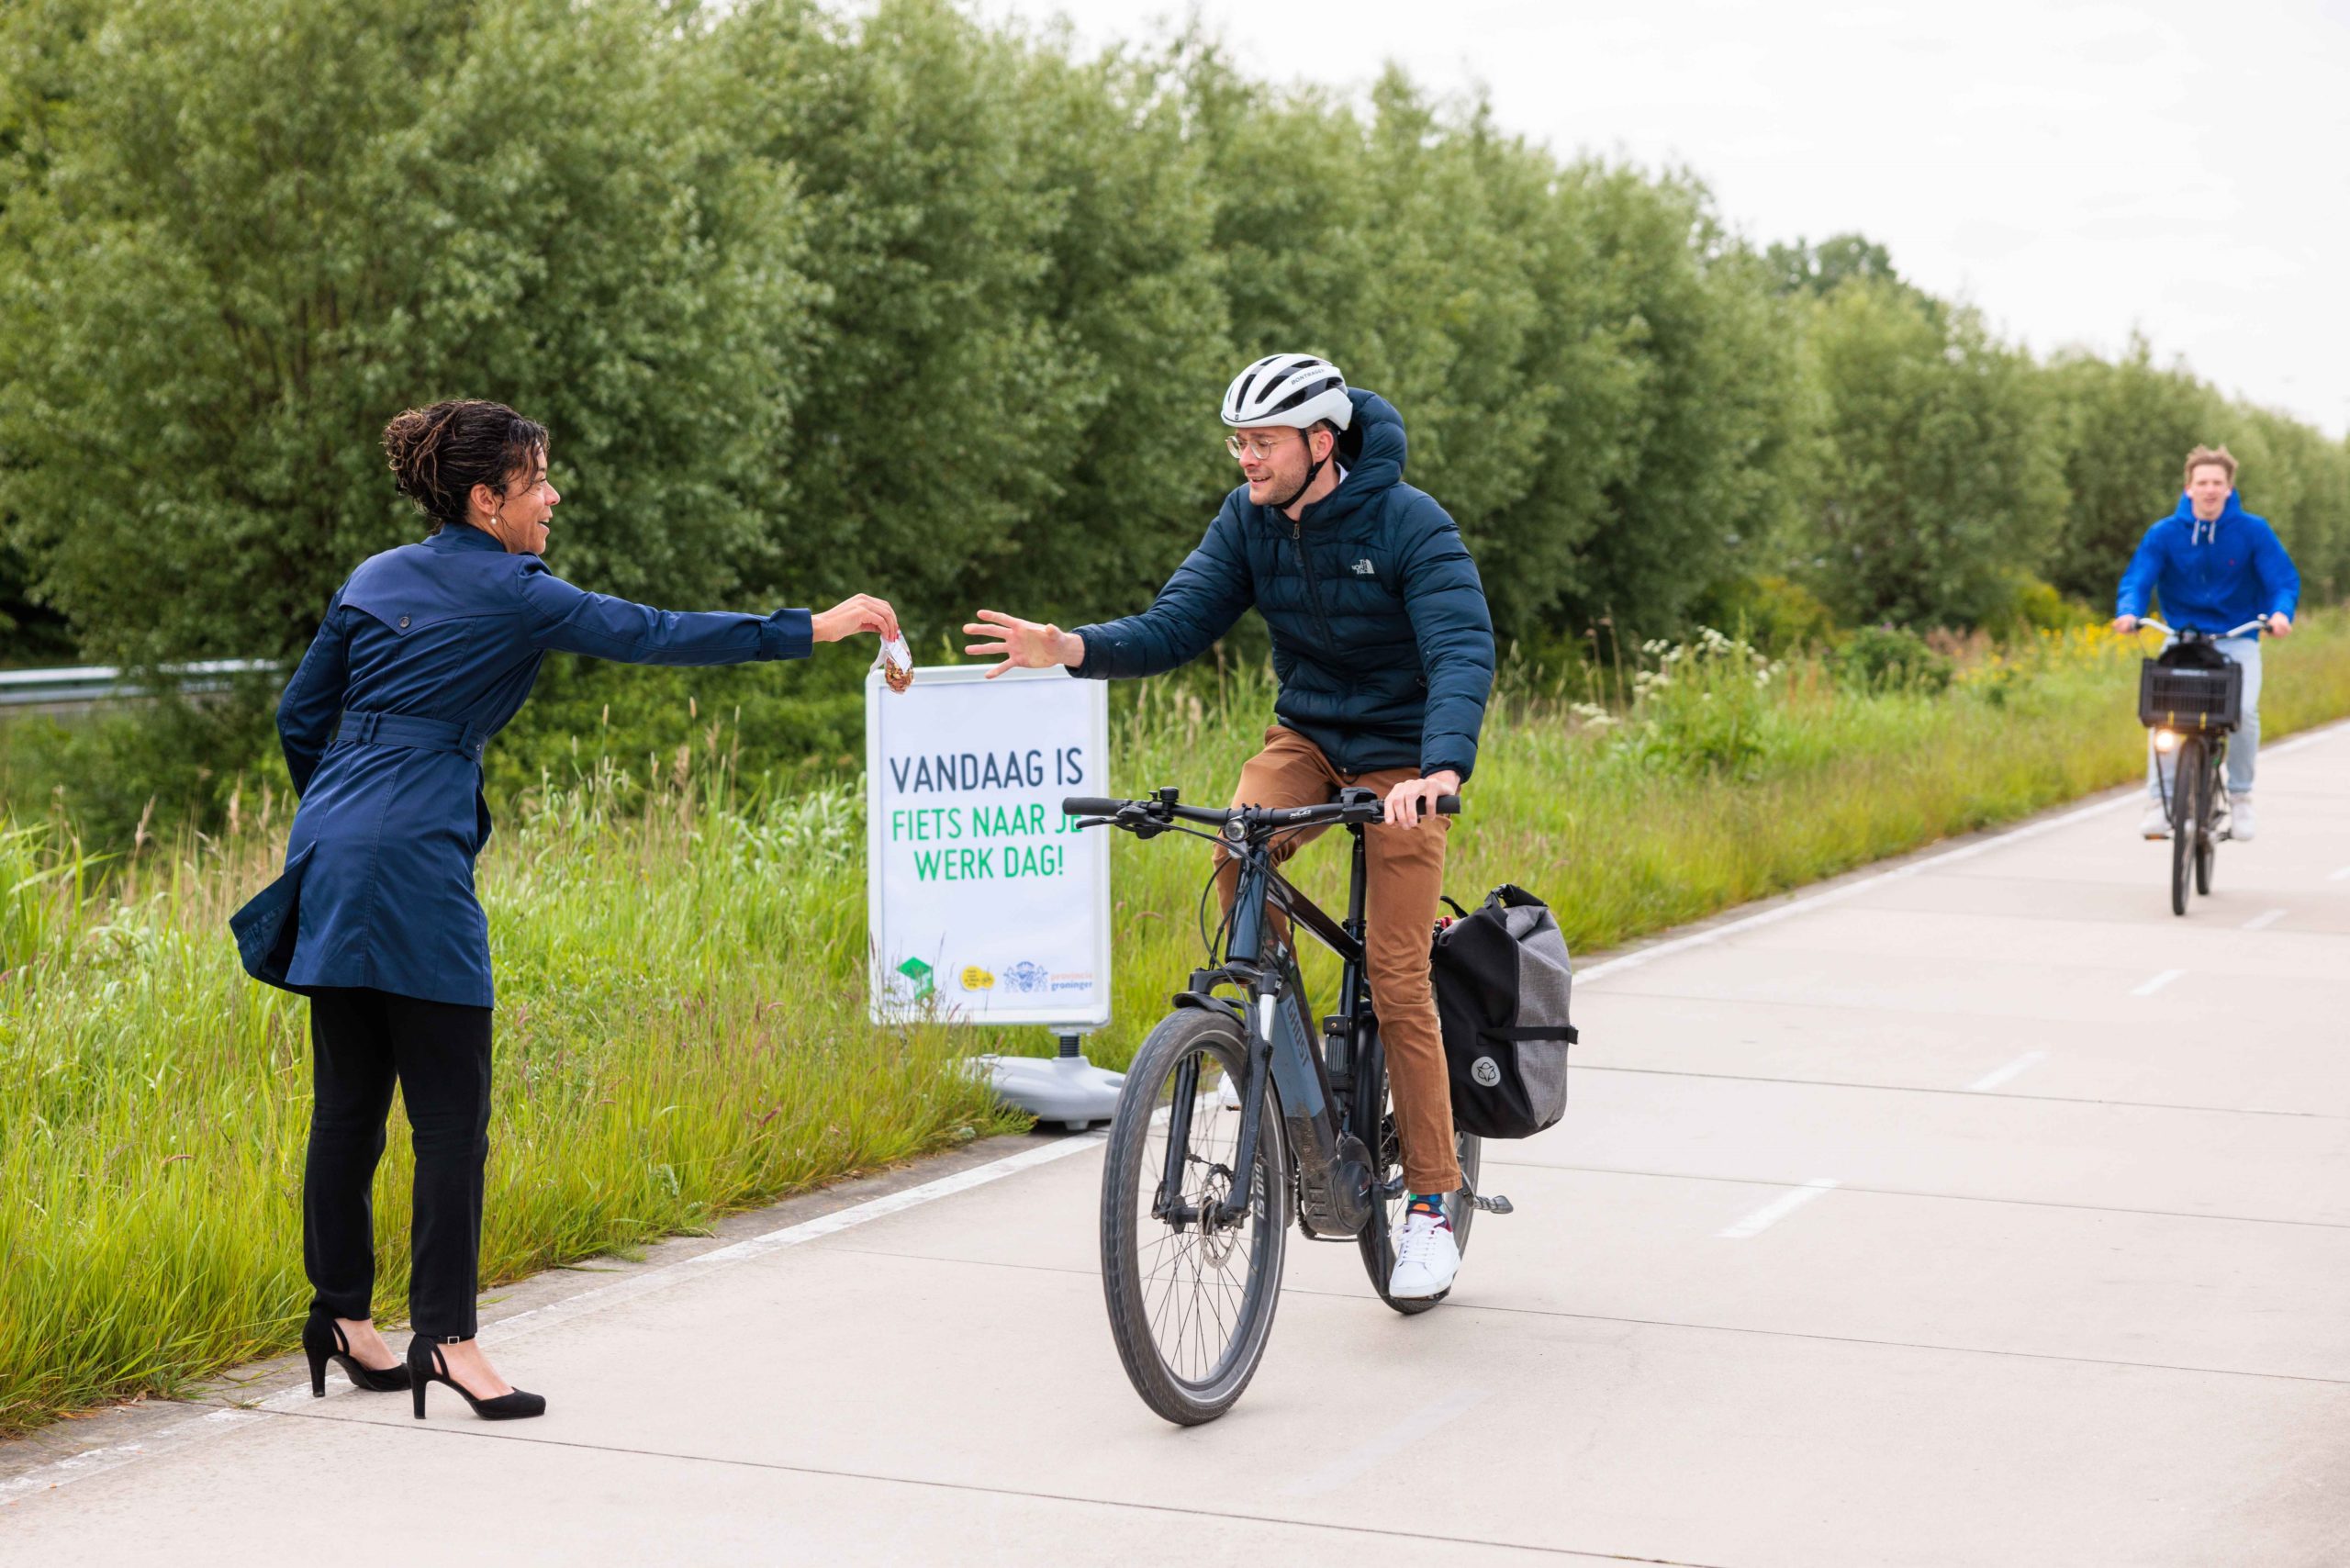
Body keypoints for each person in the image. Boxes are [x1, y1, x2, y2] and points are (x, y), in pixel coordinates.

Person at [231, 399, 898, 1418]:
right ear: (484, 499)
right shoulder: (517, 590)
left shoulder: (372, 578)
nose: (552, 496)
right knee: (450, 1117)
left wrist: (343, 811)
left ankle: (343, 1320)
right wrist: (809, 626)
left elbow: (298, 716)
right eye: (536, 481)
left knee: (348, 1107)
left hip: (329, 843)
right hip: (413, 861)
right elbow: (654, 633)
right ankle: (448, 1339)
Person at [964, 353, 1495, 1299]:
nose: (1246, 458)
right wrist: (1070, 647)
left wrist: (1441, 769)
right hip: (1307, 737)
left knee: (1395, 971)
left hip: (1405, 758)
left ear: (1320, 443)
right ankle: (1270, 1043)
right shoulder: (1247, 520)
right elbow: (1175, 624)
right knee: (1237, 843)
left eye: (1262, 443)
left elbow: (1461, 646)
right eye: (1237, 442)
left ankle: (1428, 1201)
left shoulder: (1410, 523)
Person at [2113, 444, 2298, 842]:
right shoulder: (2164, 534)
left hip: (2237, 640)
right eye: (2202, 482)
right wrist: (2129, 611)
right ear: (2189, 488)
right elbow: (2138, 578)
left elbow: (2282, 581)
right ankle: (2159, 801)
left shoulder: (2253, 532)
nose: (2210, 490)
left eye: (2217, 483)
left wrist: (2281, 614)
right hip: (2182, 639)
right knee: (2162, 714)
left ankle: (2241, 796)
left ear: (2229, 488)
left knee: (2243, 712)